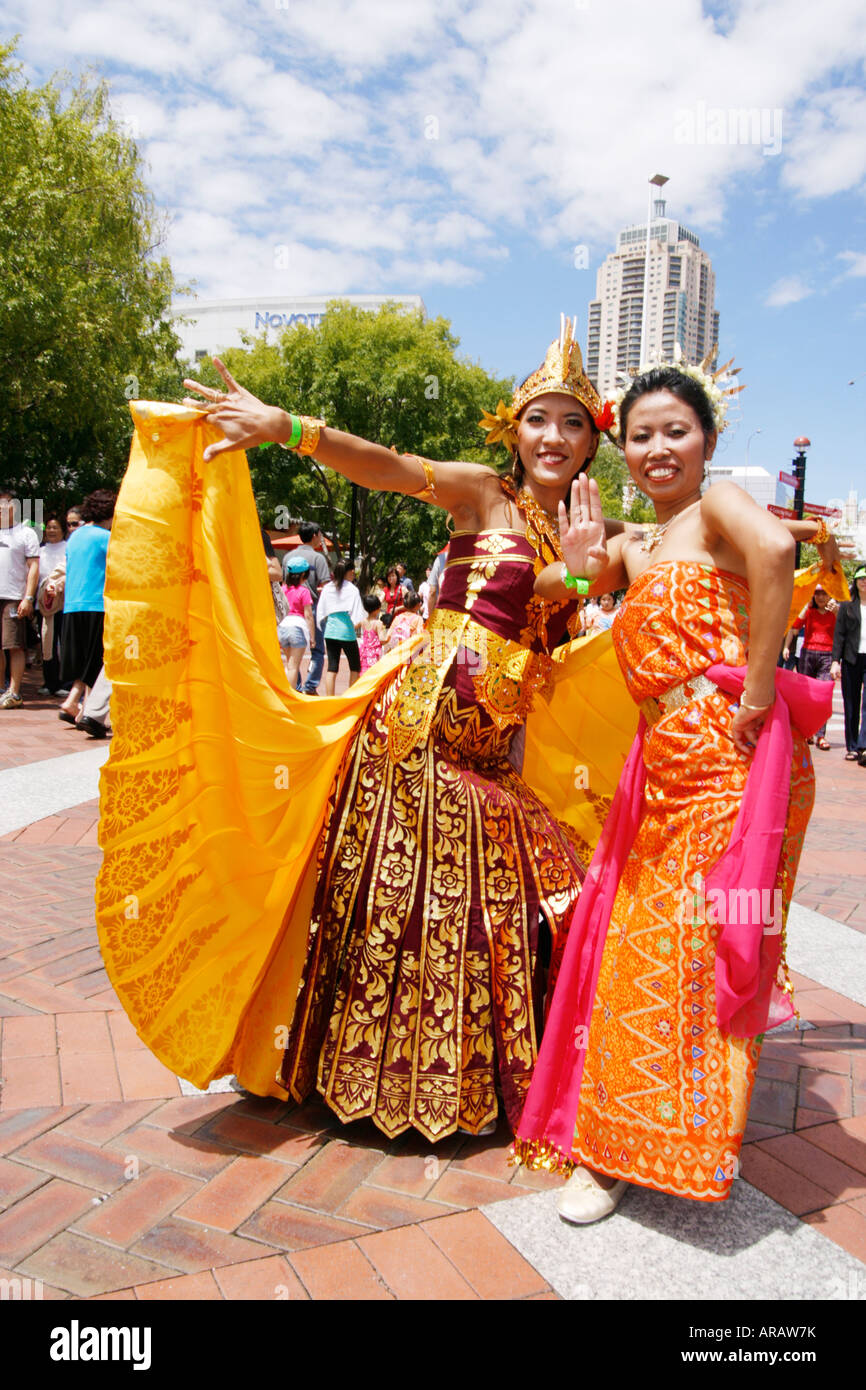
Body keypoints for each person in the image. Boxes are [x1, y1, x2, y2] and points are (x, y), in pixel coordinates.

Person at [97, 320, 632, 1145]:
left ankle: (464, 1077)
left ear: (593, 441)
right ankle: (375, 1079)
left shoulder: (589, 530)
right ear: (514, 431)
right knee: (408, 907)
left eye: (573, 422)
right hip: (415, 733)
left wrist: (589, 571)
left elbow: (562, 613)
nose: (553, 436)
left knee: (513, 898)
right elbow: (390, 469)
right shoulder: (483, 492)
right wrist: (292, 431)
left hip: (493, 749)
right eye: (538, 418)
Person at [514, 364, 837, 1222]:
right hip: (661, 765)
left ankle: (653, 1143)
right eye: (641, 435)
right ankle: (628, 1135)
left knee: (692, 948)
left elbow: (776, 551)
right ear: (621, 450)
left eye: (675, 432)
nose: (658, 448)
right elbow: (546, 592)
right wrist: (575, 573)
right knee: (633, 942)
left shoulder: (721, 508)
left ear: (708, 443)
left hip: (733, 757)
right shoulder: (636, 545)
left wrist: (761, 693)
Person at [58, 490, 115, 725]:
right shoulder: (105, 537)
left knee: (87, 660)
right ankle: (82, 707)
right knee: (98, 660)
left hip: (72, 605)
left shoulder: (76, 536)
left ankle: (77, 705)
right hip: (97, 604)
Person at [0, 491, 40, 708]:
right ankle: (1, 690)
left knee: (15, 645)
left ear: (14, 506)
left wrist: (28, 597)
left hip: (14, 597)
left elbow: (34, 567)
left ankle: (14, 693)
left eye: (4, 504)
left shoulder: (26, 533)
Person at [784, 586, 835, 749]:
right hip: (807, 653)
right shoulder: (810, 612)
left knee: (822, 696)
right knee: (806, 695)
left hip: (827, 654)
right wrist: (806, 604)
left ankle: (821, 735)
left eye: (824, 594)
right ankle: (806, 733)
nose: (821, 597)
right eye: (817, 594)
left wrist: (837, 611)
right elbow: (795, 626)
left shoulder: (834, 613)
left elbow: (843, 628)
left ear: (830, 596)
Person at [285, 523, 331, 694]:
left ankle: (295, 687)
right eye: (320, 534)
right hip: (312, 609)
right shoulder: (318, 559)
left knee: (291, 654)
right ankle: (310, 686)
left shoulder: (288, 556)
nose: (321, 538)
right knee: (317, 649)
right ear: (314, 535)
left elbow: (285, 584)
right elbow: (326, 587)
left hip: (290, 610)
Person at [830, 564, 866, 763]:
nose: (864, 582)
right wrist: (835, 661)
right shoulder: (847, 605)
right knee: (851, 703)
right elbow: (839, 635)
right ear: (856, 581)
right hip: (851, 659)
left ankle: (864, 745)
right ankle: (852, 746)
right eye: (861, 578)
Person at [316, 559, 365, 696]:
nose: (354, 574)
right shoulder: (352, 589)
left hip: (330, 631)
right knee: (355, 666)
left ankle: (329, 700)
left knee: (332, 668)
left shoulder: (327, 588)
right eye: (352, 572)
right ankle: (350, 698)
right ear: (348, 572)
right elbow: (358, 616)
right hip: (346, 631)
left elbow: (321, 610)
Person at [37, 515, 68, 695]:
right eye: (49, 527)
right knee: (46, 641)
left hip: (64, 601)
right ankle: (49, 682)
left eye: (55, 527)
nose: (51, 531)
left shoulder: (68, 548)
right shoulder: (40, 550)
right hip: (45, 604)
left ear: (62, 530)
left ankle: (65, 683)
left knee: (64, 643)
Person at [278, 555, 316, 688]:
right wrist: (312, 637)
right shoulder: (304, 591)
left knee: (289, 663)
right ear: (303, 575)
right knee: (294, 666)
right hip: (297, 628)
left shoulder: (282, 589)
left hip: (282, 628)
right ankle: (290, 694)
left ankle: (285, 691)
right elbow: (308, 615)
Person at [358, 594, 386, 672]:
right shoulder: (378, 623)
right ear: (378, 608)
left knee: (364, 672)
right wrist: (389, 637)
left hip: (365, 653)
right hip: (374, 654)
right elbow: (382, 640)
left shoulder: (363, 621)